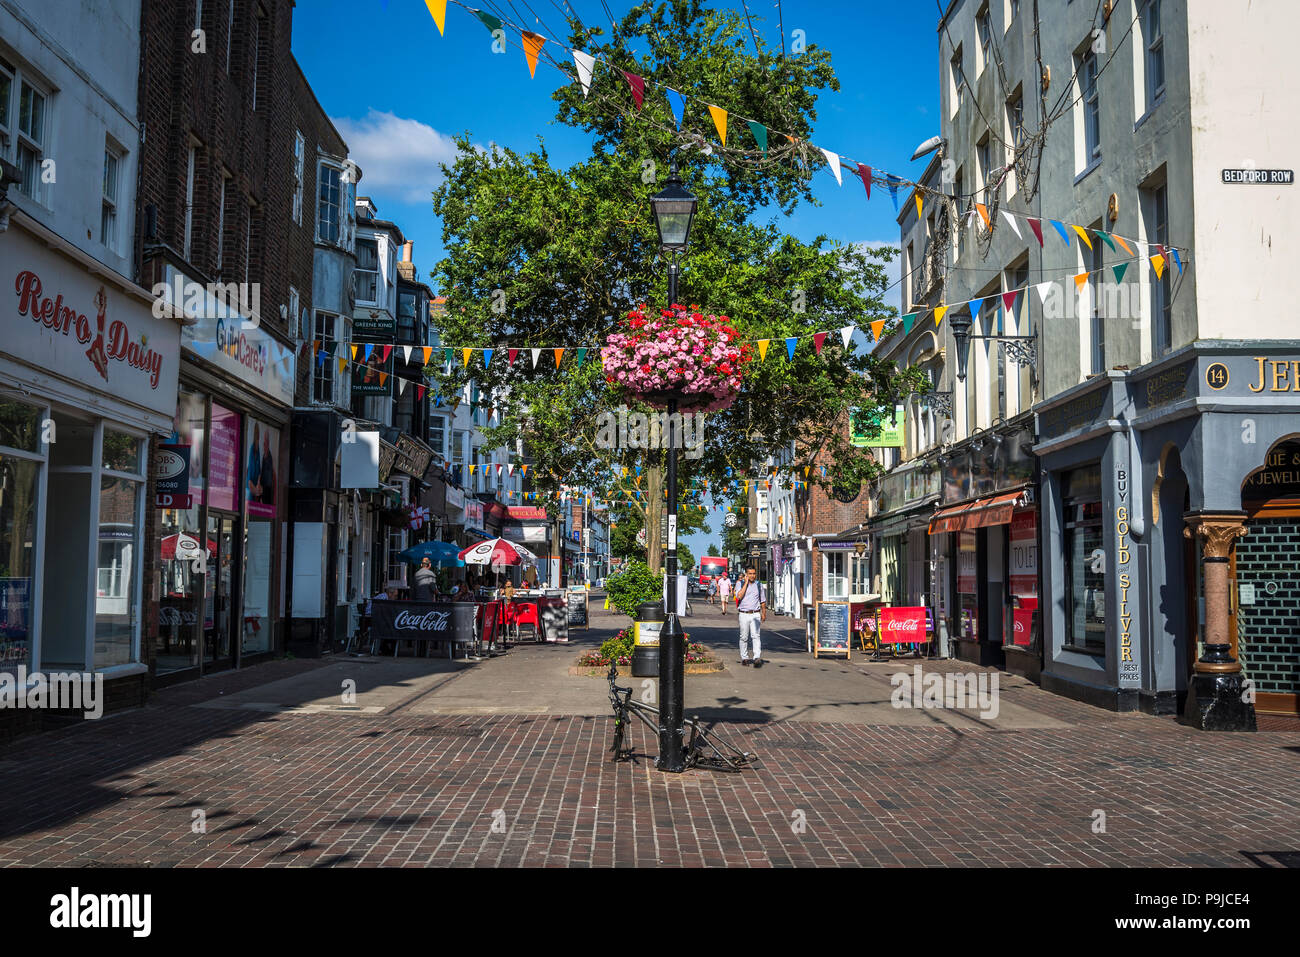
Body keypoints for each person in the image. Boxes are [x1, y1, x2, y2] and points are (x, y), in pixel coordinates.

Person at [734, 566, 767, 668]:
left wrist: (764, 613)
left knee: (756, 636)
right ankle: (744, 658)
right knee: (743, 637)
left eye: (754, 573)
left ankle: (757, 657)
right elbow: (739, 596)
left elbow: (762, 600)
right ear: (746, 574)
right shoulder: (740, 583)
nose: (752, 575)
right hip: (743, 613)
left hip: (755, 614)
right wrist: (746, 583)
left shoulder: (759, 585)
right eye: (750, 574)